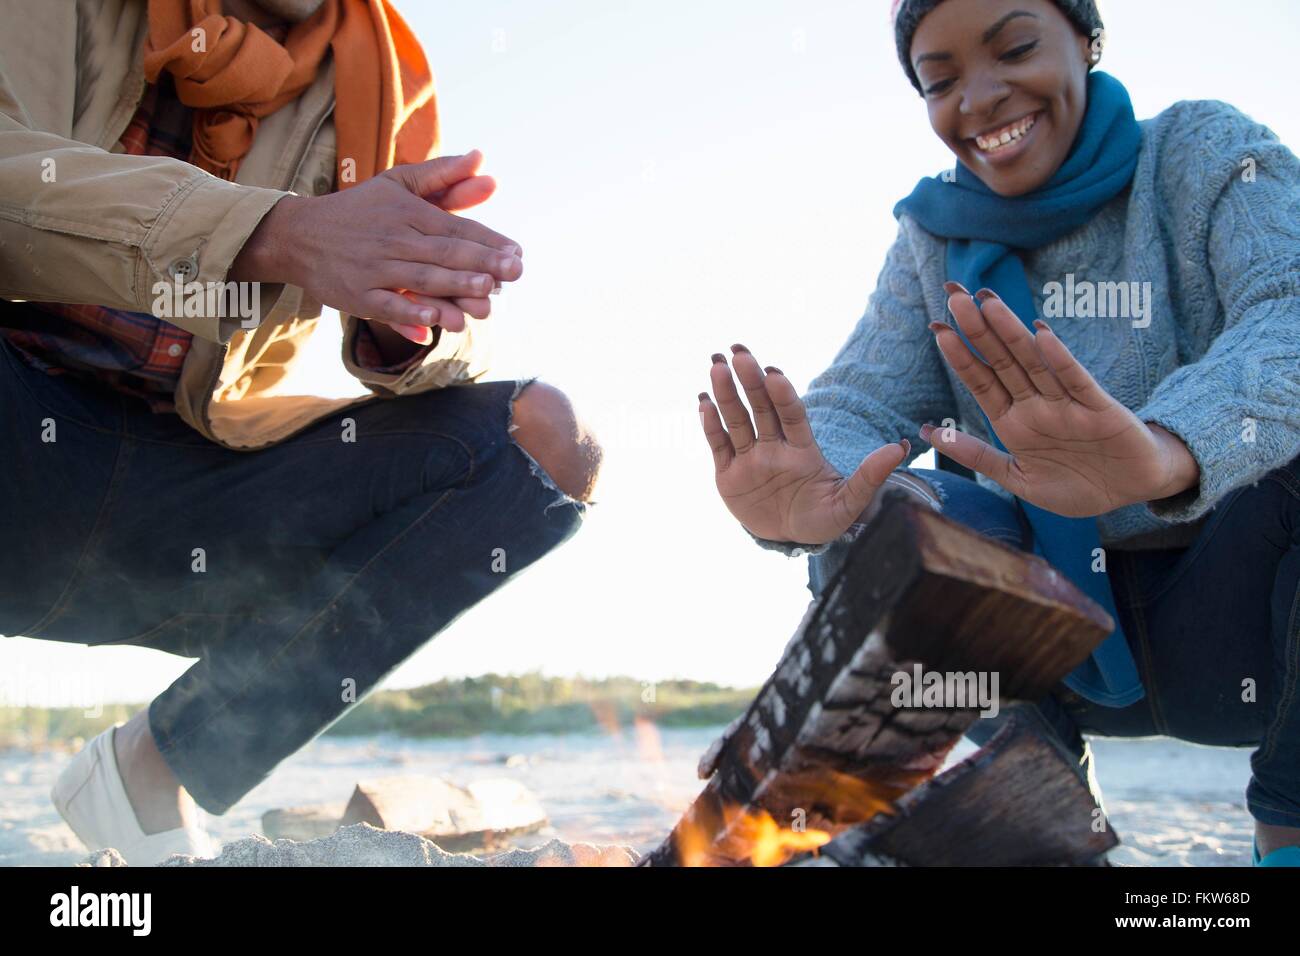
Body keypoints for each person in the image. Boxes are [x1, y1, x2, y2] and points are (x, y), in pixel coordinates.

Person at [697, 0, 1300, 866]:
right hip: (1038, 651)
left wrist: (1169, 447)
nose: (977, 98)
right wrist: (813, 489)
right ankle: (1030, 815)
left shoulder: (1201, 153)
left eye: (1014, 47)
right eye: (939, 81)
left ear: (1087, 43)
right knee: (887, 502)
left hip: (1240, 624)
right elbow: (862, 400)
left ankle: (1290, 834)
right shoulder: (934, 238)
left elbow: (1288, 306)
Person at [0, 0, 600, 864]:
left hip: (182, 499)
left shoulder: (382, 75)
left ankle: (150, 765)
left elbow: (450, 341)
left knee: (542, 437)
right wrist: (275, 235)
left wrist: (408, 313)